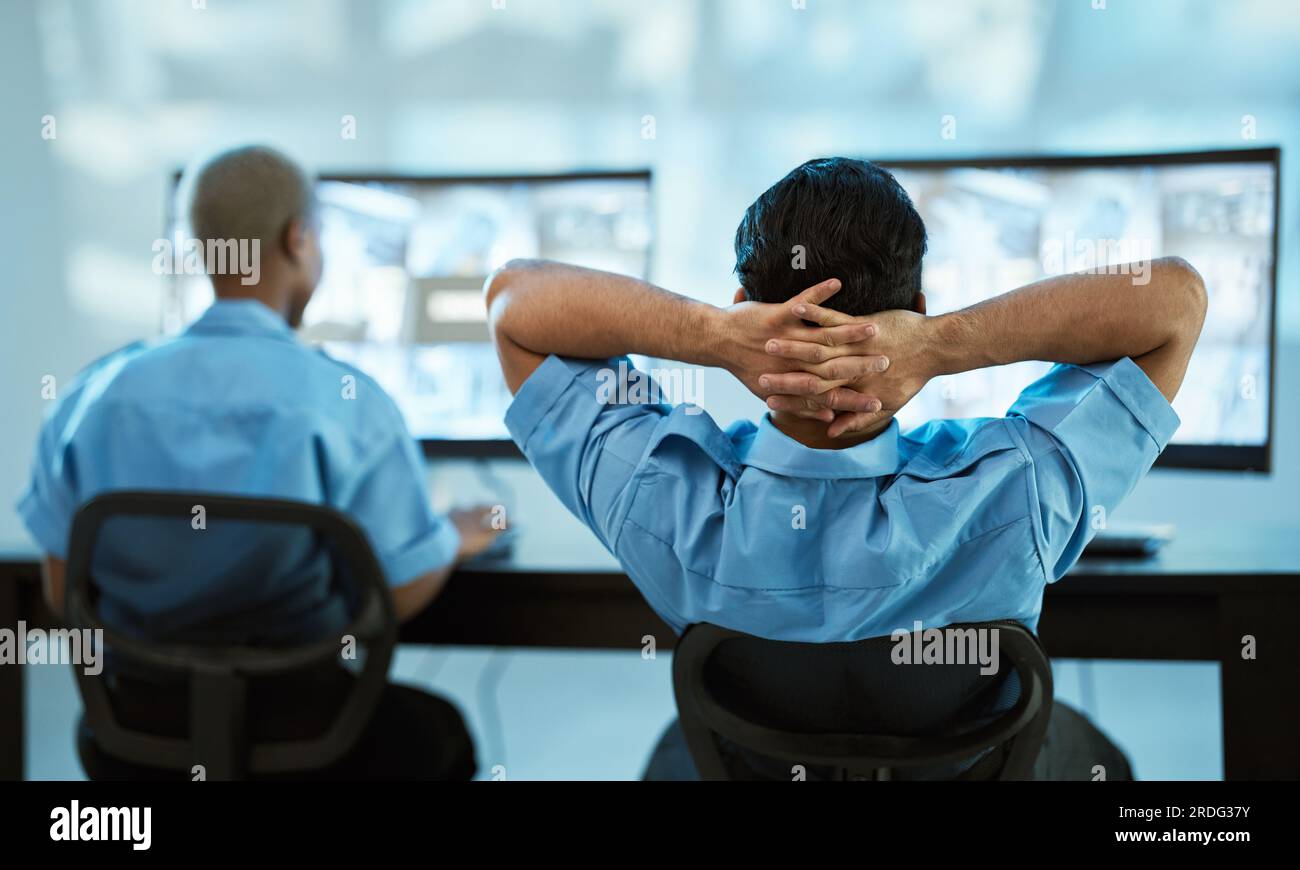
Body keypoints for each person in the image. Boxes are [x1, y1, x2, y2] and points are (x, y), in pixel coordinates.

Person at [483, 157, 1206, 780]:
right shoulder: (1014, 491)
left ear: (745, 308)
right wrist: (944, 344)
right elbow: (1175, 302)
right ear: (916, 309)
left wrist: (709, 336)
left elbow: (514, 305)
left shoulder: (660, 493)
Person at [18, 144, 499, 780]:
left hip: (139, 735)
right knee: (437, 735)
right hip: (310, 741)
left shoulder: (92, 397)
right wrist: (450, 538)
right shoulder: (350, 403)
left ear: (199, 249)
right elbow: (395, 593)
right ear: (299, 239)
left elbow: (61, 591)